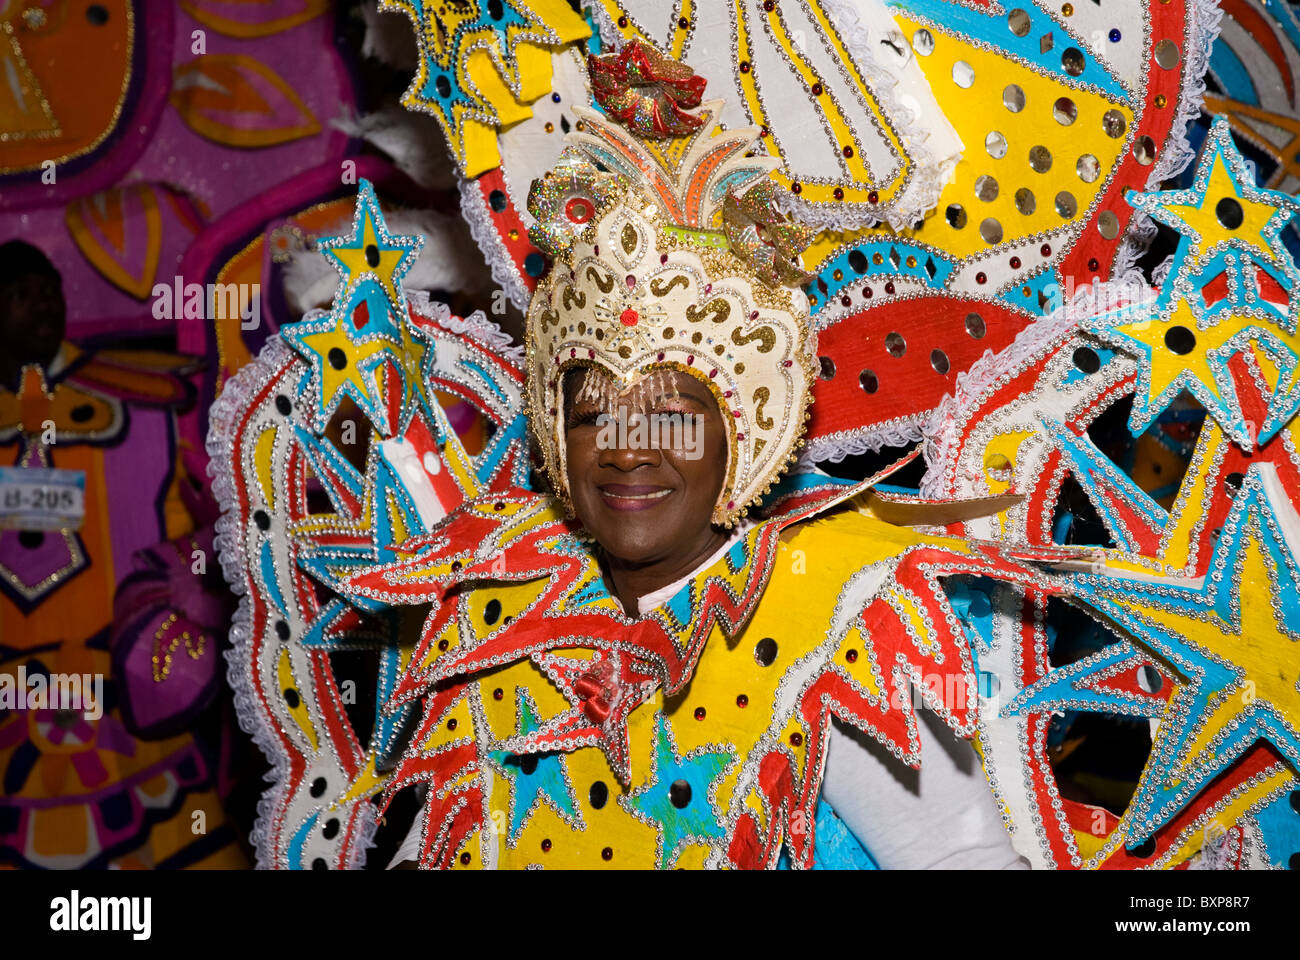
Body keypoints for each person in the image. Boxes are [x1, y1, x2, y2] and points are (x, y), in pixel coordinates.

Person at [348, 43, 1031, 869]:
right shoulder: (501, 601)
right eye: (595, 413)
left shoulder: (834, 617)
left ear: (743, 432)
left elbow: (958, 857)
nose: (630, 451)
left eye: (673, 415)